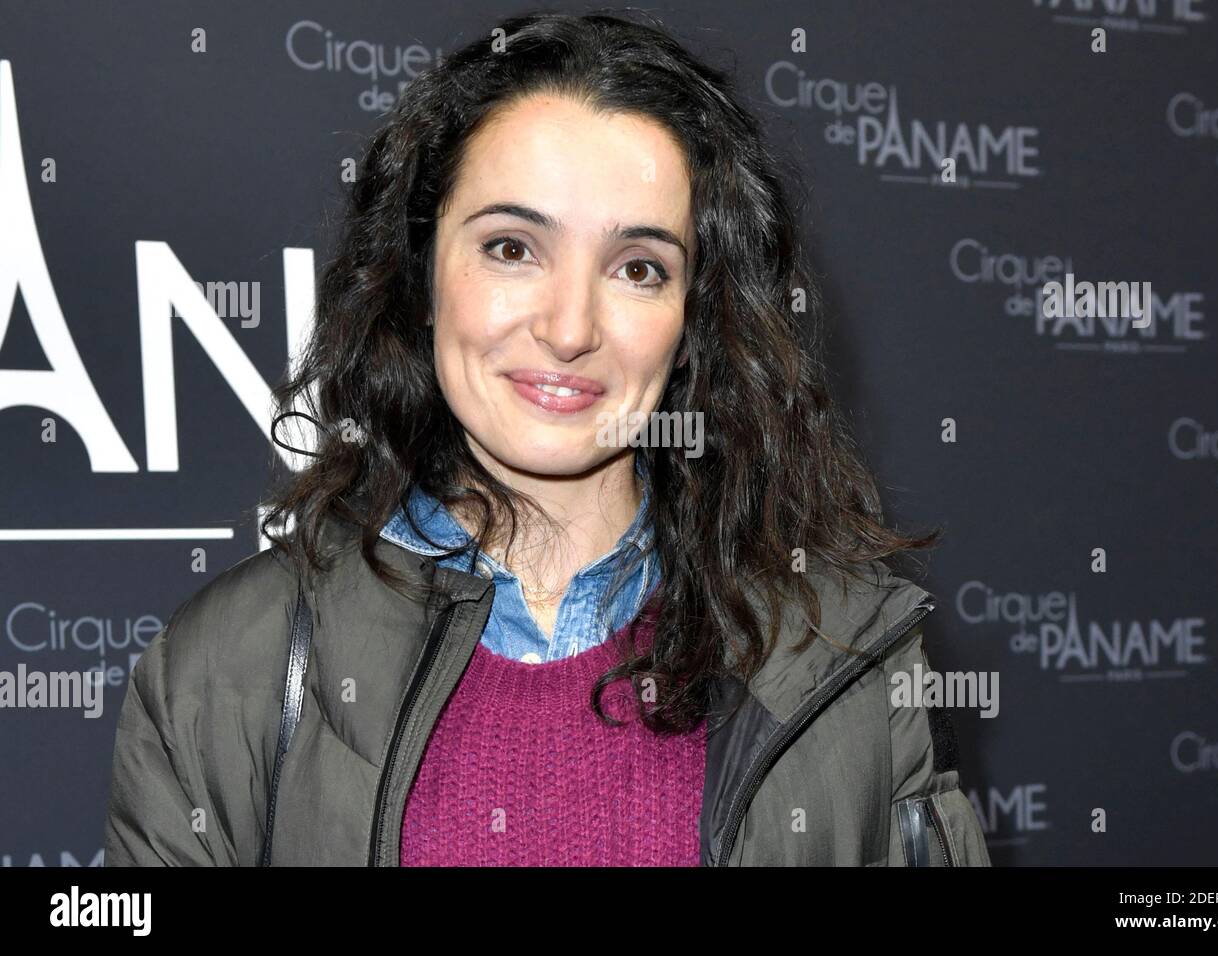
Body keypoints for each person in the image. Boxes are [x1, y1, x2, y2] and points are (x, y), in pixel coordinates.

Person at [103, 11, 991, 867]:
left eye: (638, 268)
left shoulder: (844, 659)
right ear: (420, 275)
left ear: (694, 320)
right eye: (512, 248)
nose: (570, 329)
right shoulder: (228, 668)